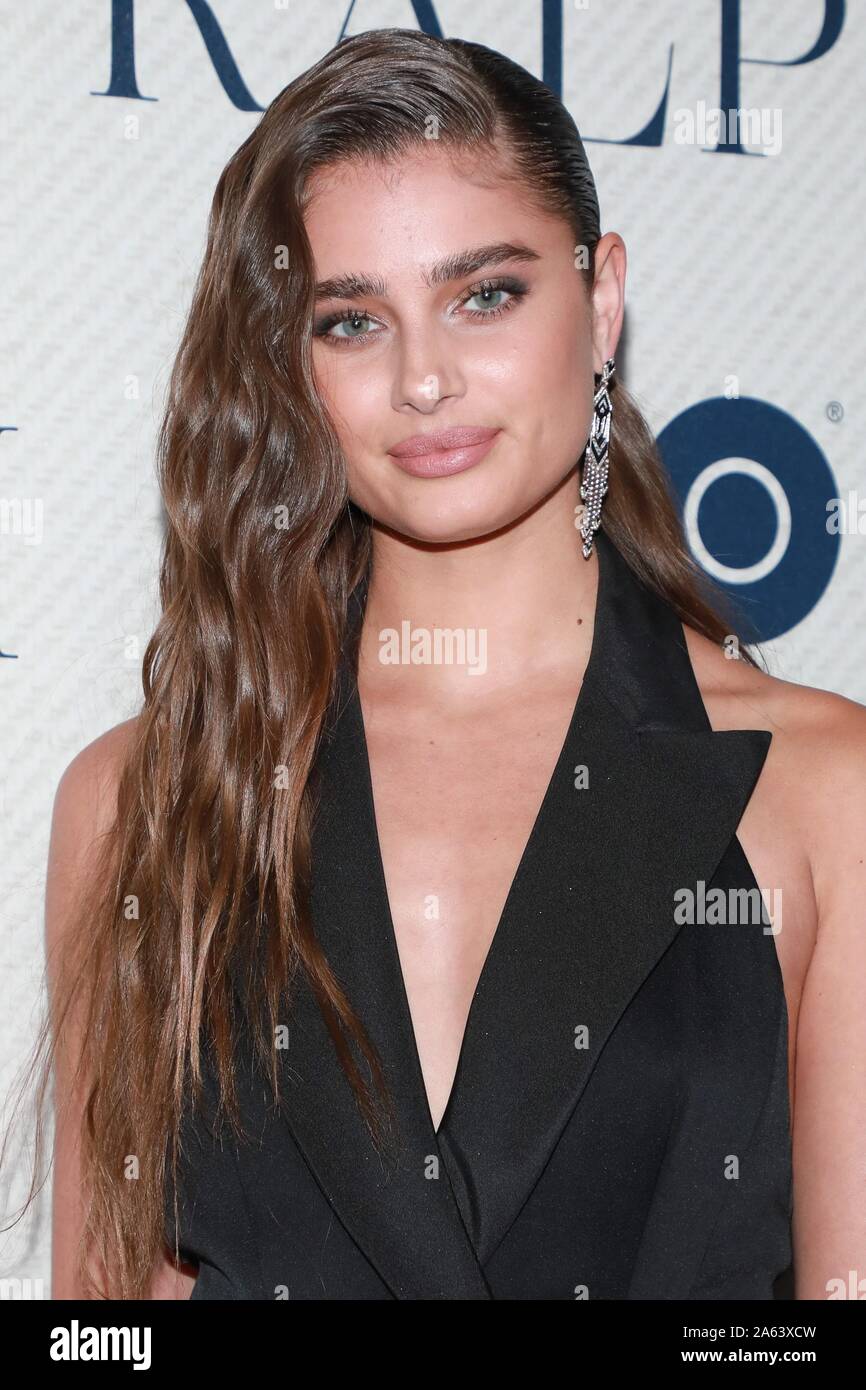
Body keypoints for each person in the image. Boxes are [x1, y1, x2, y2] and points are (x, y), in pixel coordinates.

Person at [33, 28, 865, 1299]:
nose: (423, 377)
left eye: (485, 294)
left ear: (601, 303)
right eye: (352, 320)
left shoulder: (819, 788)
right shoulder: (147, 797)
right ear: (287, 363)